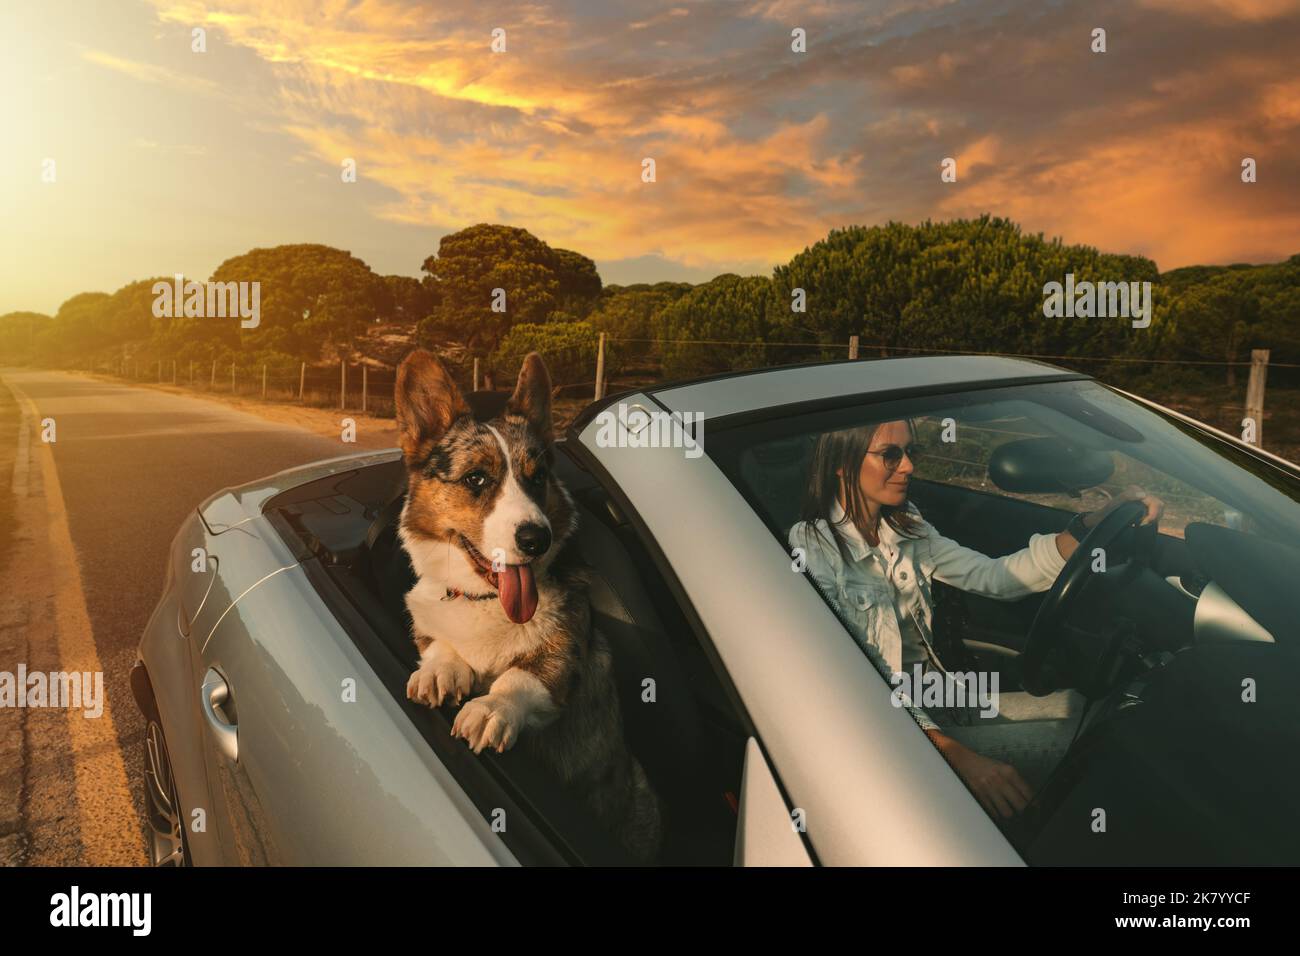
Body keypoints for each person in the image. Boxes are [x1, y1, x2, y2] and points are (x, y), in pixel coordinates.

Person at [788, 418, 1164, 819]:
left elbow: (996, 578)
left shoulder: (904, 525)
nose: (909, 467)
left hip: (942, 701)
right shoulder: (813, 550)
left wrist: (1090, 523)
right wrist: (955, 757)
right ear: (842, 463)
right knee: (1096, 743)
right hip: (898, 736)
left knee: (1098, 709)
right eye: (890, 455)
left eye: (910, 452)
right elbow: (860, 682)